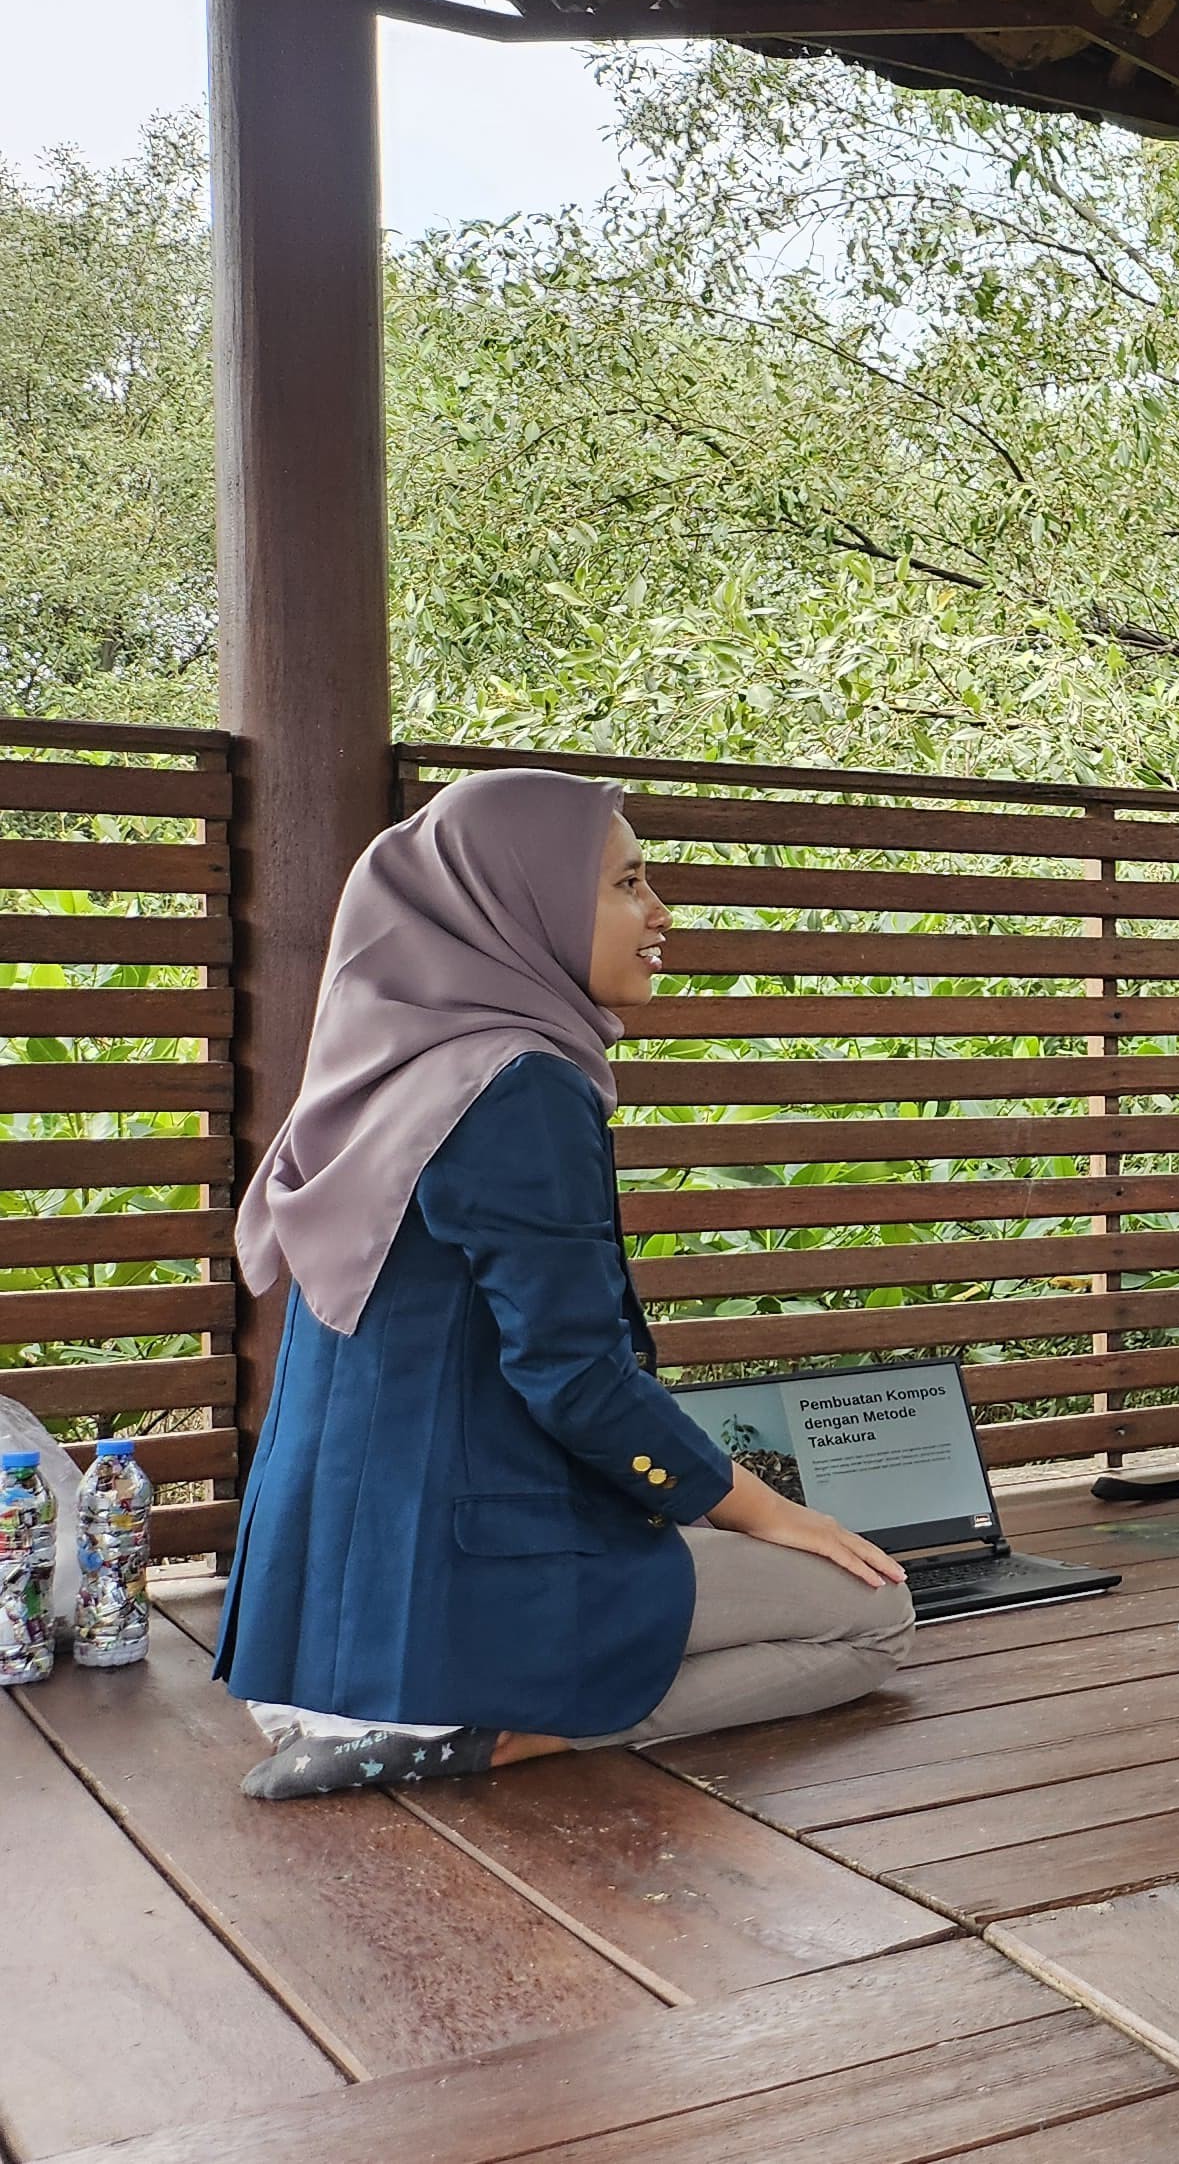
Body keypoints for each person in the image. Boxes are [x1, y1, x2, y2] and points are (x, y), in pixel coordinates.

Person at [214, 770, 914, 1800]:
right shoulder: (518, 1085)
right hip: (454, 1601)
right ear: (521, 900)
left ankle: (398, 1719)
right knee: (875, 1616)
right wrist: (764, 1511)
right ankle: (485, 1736)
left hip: (316, 1632)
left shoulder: (391, 1070)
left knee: (710, 1546)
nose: (661, 912)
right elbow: (576, 1376)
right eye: (628, 883)